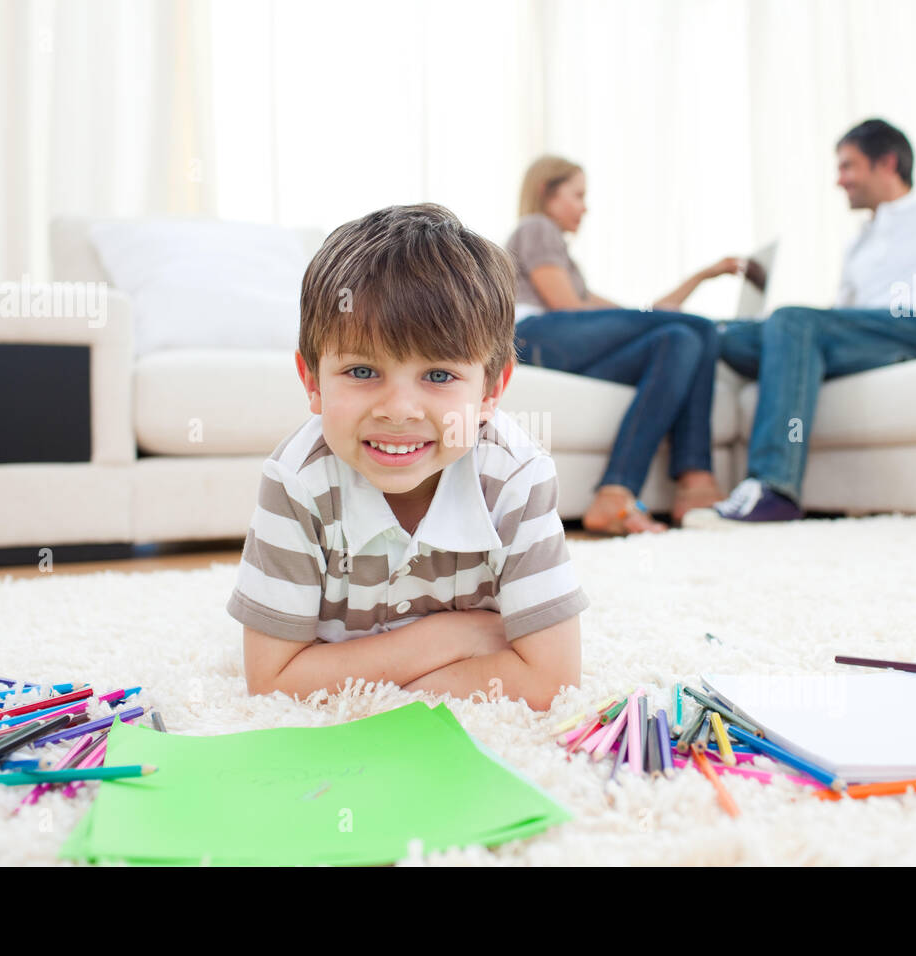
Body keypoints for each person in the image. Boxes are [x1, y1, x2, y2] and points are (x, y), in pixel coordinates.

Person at [229, 203, 587, 712]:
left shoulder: (516, 476)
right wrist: (450, 640)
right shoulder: (297, 481)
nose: (398, 412)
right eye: (361, 371)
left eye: (439, 376)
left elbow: (553, 681)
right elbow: (271, 681)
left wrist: (366, 688)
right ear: (312, 383)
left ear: (492, 388)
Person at [683, 118, 916, 525]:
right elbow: (836, 316)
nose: (839, 180)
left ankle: (774, 487)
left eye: (848, 166)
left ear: (887, 163)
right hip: (867, 340)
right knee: (717, 334)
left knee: (791, 321)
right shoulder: (857, 244)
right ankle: (693, 478)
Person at [507, 156, 754, 533]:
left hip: (566, 344)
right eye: (577, 195)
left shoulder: (568, 267)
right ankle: (695, 479)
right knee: (698, 329)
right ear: (546, 191)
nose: (585, 207)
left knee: (680, 339)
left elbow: (647, 312)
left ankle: (615, 493)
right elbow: (567, 308)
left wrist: (703, 276)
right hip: (537, 335)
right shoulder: (537, 226)